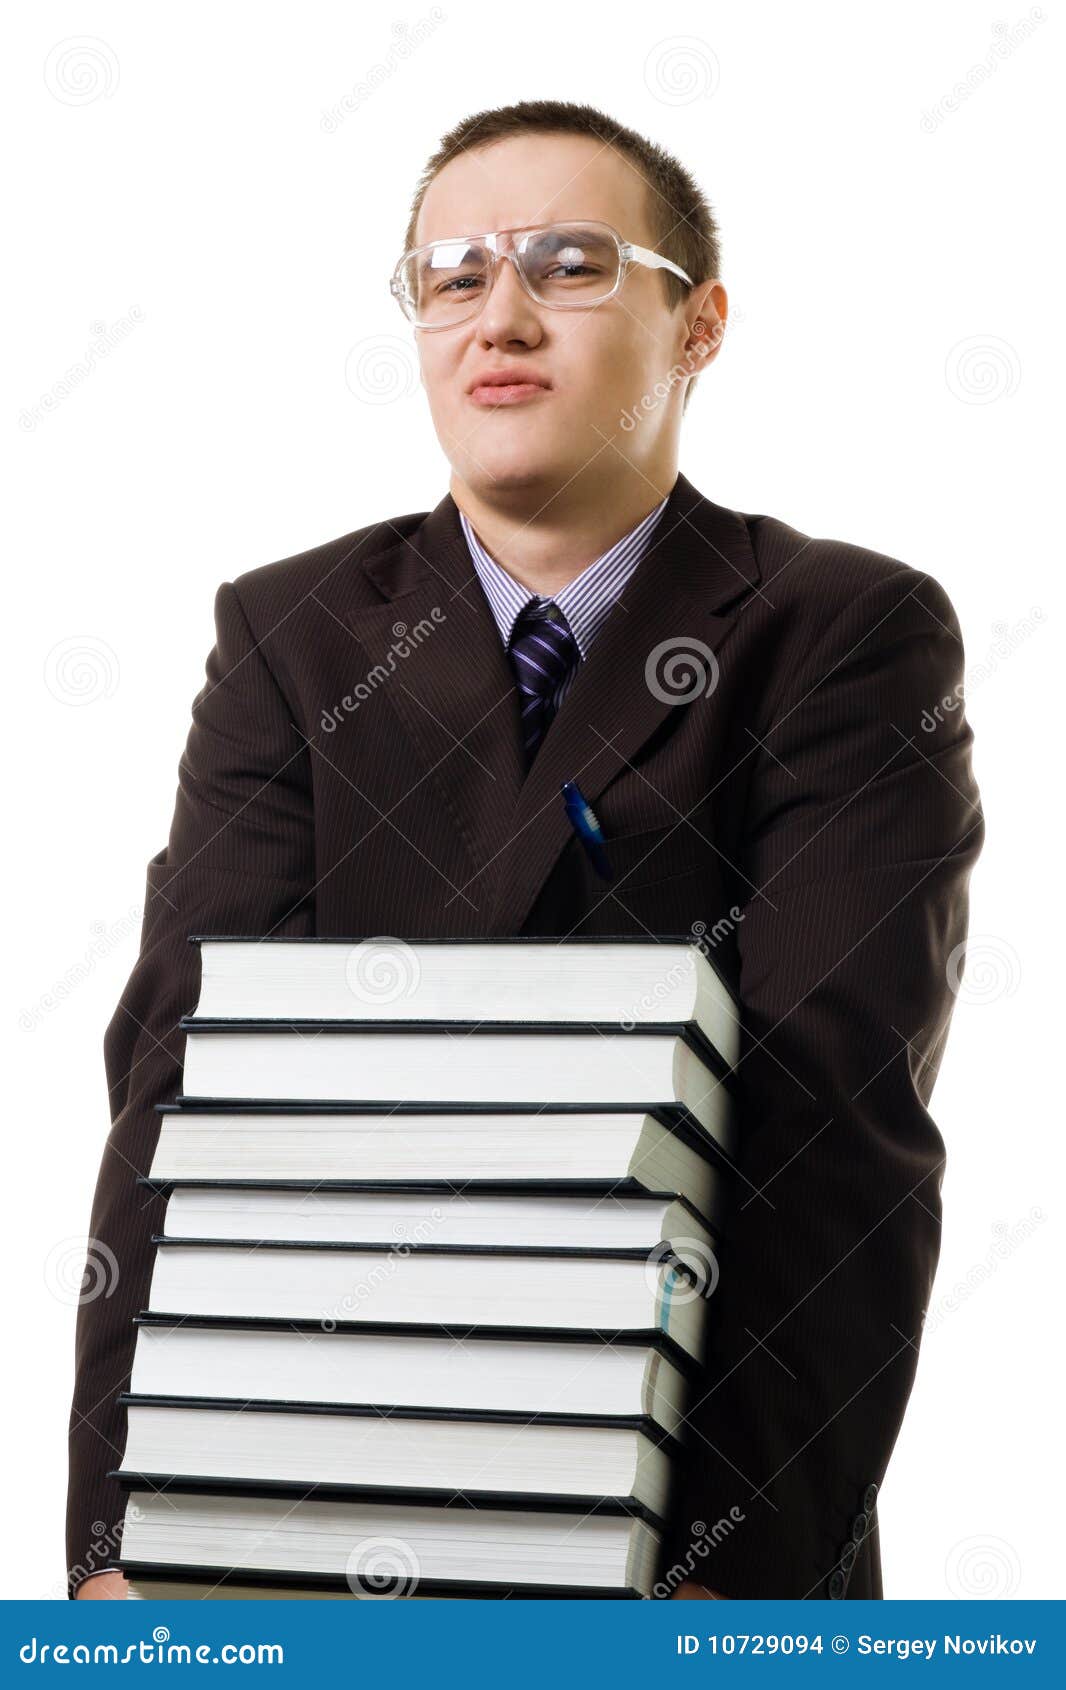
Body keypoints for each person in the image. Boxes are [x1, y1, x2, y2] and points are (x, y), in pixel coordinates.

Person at [67, 99, 983, 1601]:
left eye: (568, 265)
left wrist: (713, 1578)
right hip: (291, 1509)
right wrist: (120, 1544)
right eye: (451, 273)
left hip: (684, 1511)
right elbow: (179, 1079)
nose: (498, 314)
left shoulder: (839, 632)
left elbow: (833, 1128)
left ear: (696, 327)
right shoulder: (292, 635)